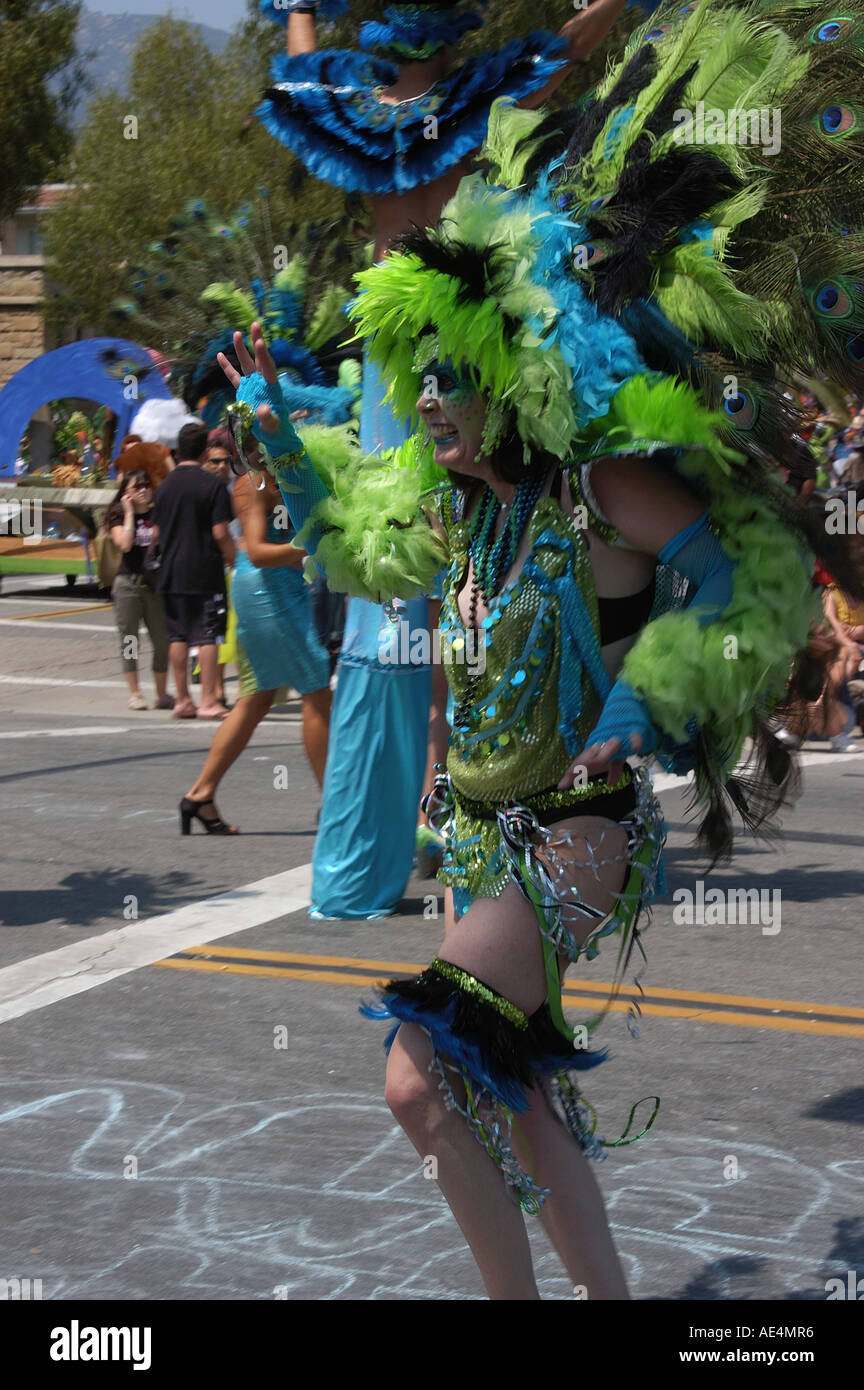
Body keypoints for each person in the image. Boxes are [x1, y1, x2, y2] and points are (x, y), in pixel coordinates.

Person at [222, 0, 864, 1297]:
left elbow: (750, 576)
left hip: (580, 821)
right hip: (474, 832)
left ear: (507, 365)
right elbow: (362, 546)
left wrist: (653, 695)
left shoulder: (601, 488)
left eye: (454, 377)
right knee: (520, 1096)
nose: (435, 406)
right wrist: (283, 435)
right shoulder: (452, 506)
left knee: (421, 1070)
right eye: (421, 384)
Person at [257, 0, 635, 919]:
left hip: (392, 370)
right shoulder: (472, 101)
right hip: (459, 360)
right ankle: (499, 834)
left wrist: (300, 11)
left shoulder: (352, 117)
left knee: (387, 619)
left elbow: (303, 70)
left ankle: (355, 872)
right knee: (486, 596)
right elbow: (562, 52)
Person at [180, 444, 332, 833]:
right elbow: (259, 551)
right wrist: (308, 548)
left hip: (286, 589)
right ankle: (334, 804)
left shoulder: (289, 477)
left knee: (258, 695)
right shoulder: (253, 482)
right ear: (252, 445)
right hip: (267, 590)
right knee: (316, 687)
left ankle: (200, 795)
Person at [151, 422, 235, 720]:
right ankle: (209, 700)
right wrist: (233, 557)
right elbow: (220, 533)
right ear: (203, 452)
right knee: (208, 636)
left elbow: (155, 534)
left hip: (171, 572)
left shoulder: (165, 487)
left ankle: (183, 699)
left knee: (178, 637)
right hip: (204, 571)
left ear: (179, 449)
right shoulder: (213, 486)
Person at [105, 469, 173, 711]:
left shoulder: (159, 515)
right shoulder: (117, 515)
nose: (144, 489)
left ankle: (162, 693)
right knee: (131, 640)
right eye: (137, 486)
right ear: (126, 493)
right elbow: (124, 544)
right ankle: (135, 693)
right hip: (128, 585)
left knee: (163, 641)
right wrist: (130, 514)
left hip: (154, 586)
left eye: (146, 484)